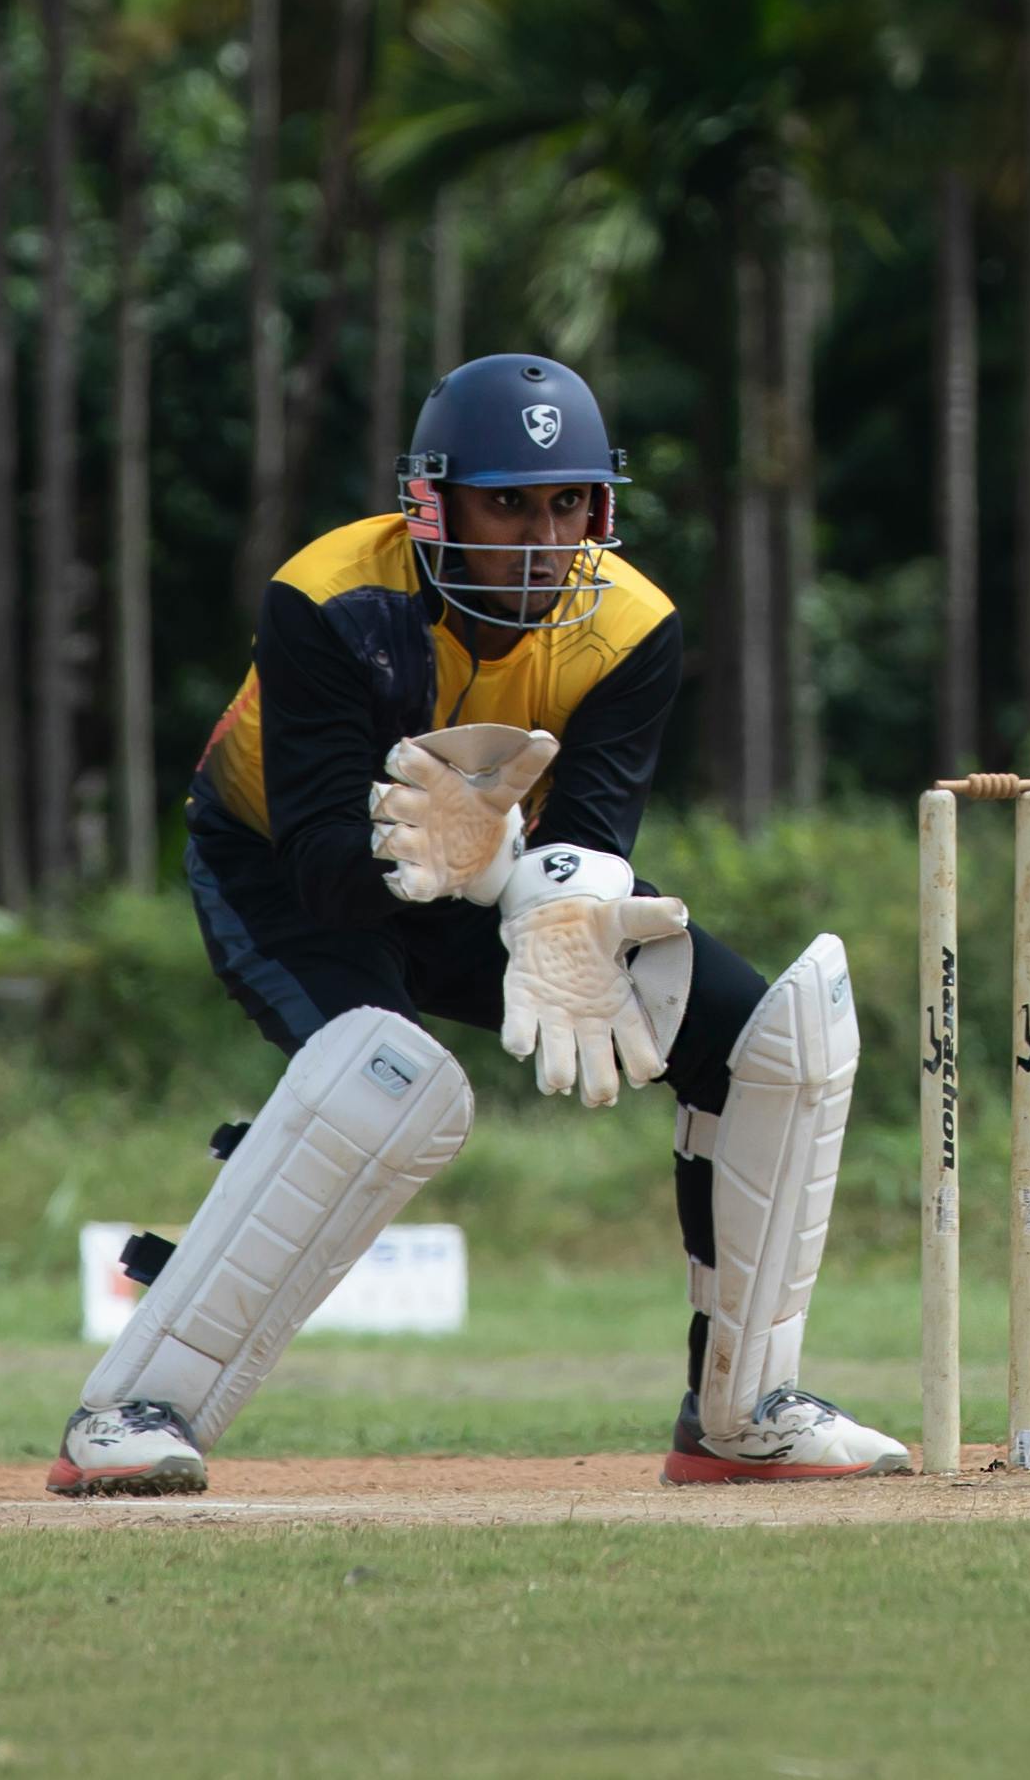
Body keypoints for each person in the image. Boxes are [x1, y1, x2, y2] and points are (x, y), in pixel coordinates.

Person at [47, 354, 908, 1495]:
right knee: (381, 1079)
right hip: (281, 874)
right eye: (507, 501)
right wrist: (476, 866)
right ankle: (130, 1410)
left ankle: (742, 1411)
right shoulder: (328, 601)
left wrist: (526, 882)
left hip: (494, 883)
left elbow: (591, 840)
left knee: (770, 1046)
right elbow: (320, 866)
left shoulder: (633, 626)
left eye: (567, 503)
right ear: (431, 503)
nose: (541, 535)